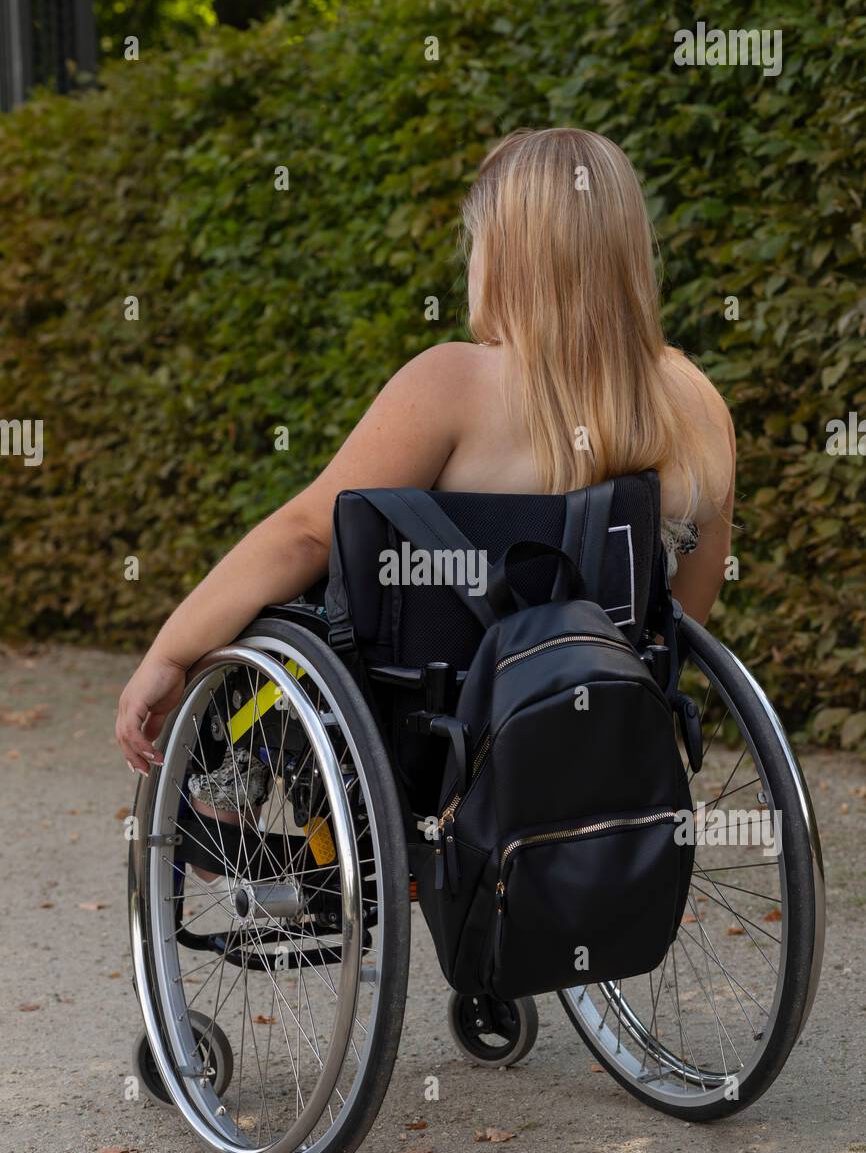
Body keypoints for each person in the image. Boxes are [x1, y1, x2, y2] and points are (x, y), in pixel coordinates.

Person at [116, 126, 735, 779]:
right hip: (597, 723)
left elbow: (304, 535)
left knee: (299, 602)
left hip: (437, 744)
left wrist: (172, 649)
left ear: (506, 252)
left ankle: (223, 797)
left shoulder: (457, 383)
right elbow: (694, 585)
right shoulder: (694, 401)